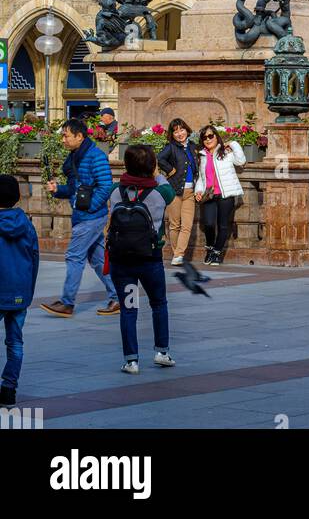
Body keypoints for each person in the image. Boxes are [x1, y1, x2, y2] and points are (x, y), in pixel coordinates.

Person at [106, 144, 176, 374]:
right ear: (152, 165)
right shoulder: (160, 192)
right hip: (150, 258)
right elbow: (169, 189)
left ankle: (131, 360)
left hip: (122, 259)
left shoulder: (116, 190)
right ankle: (162, 352)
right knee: (158, 303)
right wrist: (156, 172)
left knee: (129, 308)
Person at [40, 117, 118, 318]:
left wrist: (89, 207)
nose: (63, 140)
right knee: (99, 260)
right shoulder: (75, 156)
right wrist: (58, 190)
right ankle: (118, 297)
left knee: (74, 257)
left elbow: (105, 186)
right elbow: (76, 189)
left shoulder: (95, 156)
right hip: (83, 215)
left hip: (90, 216)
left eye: (66, 136)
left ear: (79, 136)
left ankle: (67, 303)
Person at [0, 175, 39, 405]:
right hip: (19, 292)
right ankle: (9, 389)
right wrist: (28, 292)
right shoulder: (26, 225)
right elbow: (34, 259)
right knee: (15, 342)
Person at [194, 125, 246, 266]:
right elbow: (201, 178)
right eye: (205, 137)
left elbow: (241, 161)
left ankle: (217, 253)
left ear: (216, 136)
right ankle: (210, 248)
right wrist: (198, 191)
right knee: (209, 224)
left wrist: (233, 143)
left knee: (223, 226)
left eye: (211, 136)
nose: (208, 139)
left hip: (225, 194)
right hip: (209, 195)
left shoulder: (226, 152)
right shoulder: (202, 156)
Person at [157, 119, 198, 265]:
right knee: (175, 224)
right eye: (175, 131)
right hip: (174, 191)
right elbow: (159, 158)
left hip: (190, 192)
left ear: (187, 130)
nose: (179, 134)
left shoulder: (193, 147)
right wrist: (170, 170)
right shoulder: (171, 147)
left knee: (187, 225)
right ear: (172, 134)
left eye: (182, 130)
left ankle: (179, 254)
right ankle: (177, 254)